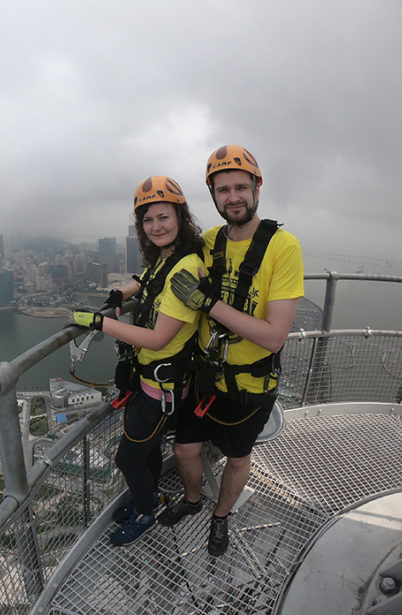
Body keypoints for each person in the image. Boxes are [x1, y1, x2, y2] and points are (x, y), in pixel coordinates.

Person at [158, 144, 304, 557]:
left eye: (241, 187)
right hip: (206, 376)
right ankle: (191, 500)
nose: (233, 197)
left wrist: (209, 303)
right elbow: (164, 270)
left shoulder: (283, 247)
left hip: (251, 384)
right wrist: (121, 295)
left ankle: (220, 515)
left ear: (258, 188)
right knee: (184, 448)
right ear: (214, 196)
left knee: (238, 459)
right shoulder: (208, 242)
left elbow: (274, 336)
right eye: (223, 190)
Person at [70, 175, 204, 546]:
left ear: (180, 216)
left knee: (127, 459)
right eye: (148, 220)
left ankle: (146, 512)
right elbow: (149, 280)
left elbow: (160, 337)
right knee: (145, 451)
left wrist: (102, 322)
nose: (155, 226)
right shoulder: (168, 258)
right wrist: (120, 292)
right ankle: (152, 496)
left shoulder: (186, 267)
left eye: (163, 217)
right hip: (151, 381)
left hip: (161, 387)